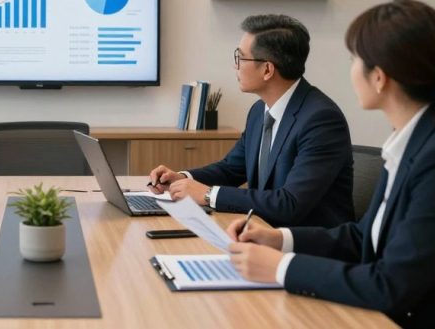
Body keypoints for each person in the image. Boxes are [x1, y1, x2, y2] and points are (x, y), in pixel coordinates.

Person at [226, 0, 435, 328]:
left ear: (379, 77)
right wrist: (279, 239)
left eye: (354, 59)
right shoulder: (413, 141)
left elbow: (390, 285)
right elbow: (363, 237)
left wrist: (280, 268)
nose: (351, 69)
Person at [149, 14, 354, 227]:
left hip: (307, 249)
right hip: (262, 233)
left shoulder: (321, 120)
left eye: (240, 57)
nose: (234, 66)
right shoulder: (259, 110)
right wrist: (182, 178)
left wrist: (209, 195)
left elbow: (290, 204)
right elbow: (231, 169)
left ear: (267, 69)